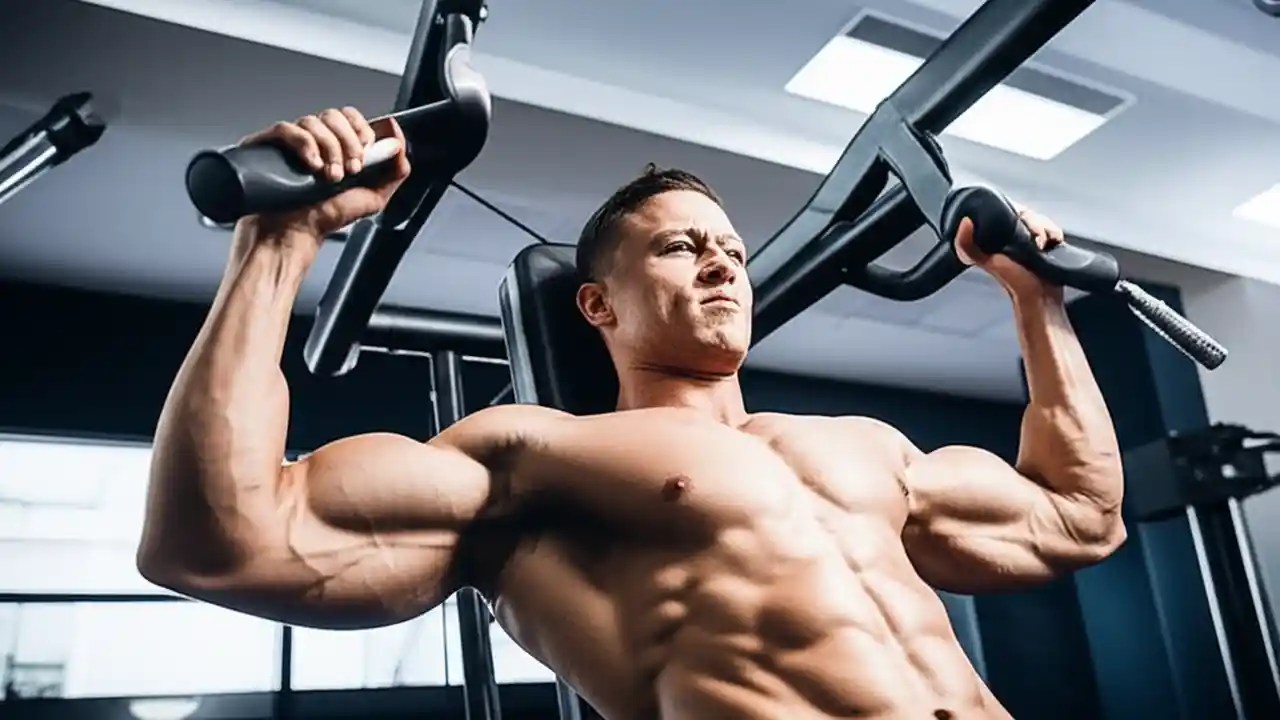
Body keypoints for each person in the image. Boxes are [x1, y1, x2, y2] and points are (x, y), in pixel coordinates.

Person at [139, 106, 1126, 720]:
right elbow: (217, 541)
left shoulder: (863, 450)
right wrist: (278, 245)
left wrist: (1033, 302)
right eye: (679, 248)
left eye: (729, 249)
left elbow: (1080, 515)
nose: (720, 262)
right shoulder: (532, 454)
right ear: (597, 304)